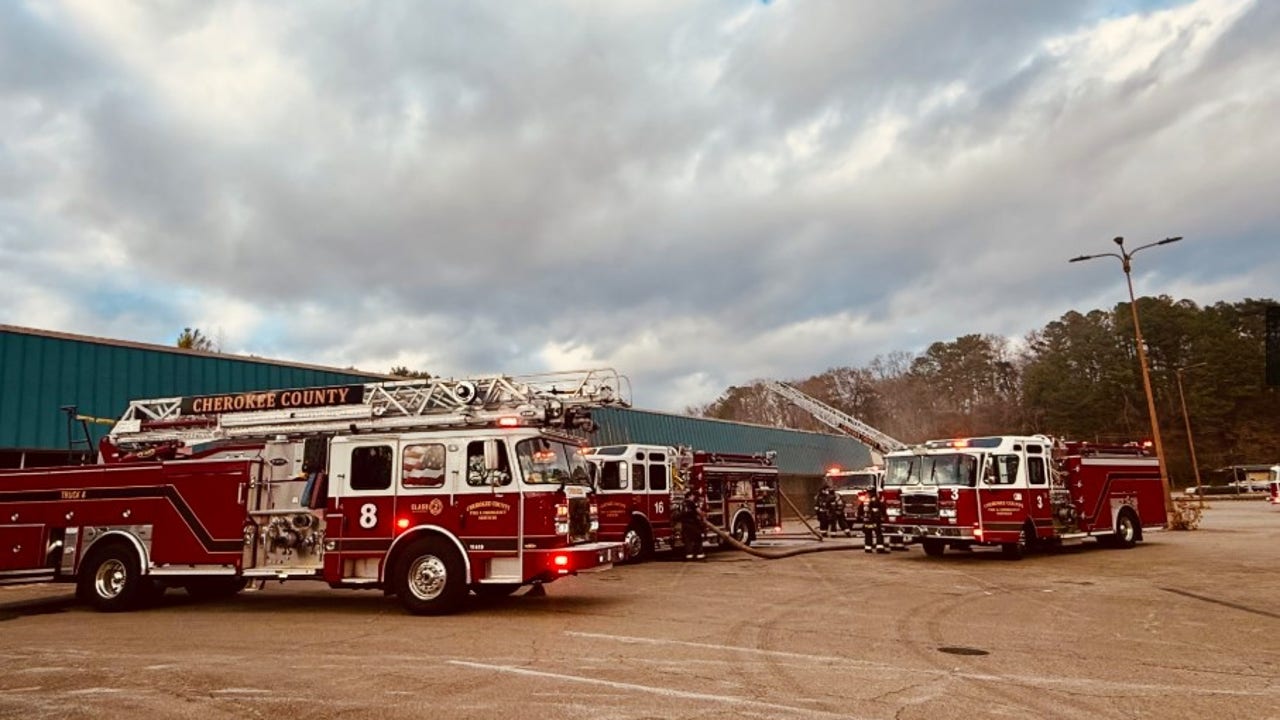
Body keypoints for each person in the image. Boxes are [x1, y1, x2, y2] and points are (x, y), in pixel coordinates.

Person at [858, 486, 890, 554]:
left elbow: (860, 509)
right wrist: (883, 516)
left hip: (866, 520)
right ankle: (880, 548)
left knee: (868, 534)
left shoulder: (865, 500)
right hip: (875, 520)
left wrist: (860, 517)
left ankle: (868, 548)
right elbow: (882, 508)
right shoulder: (876, 499)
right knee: (879, 533)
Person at [678, 487, 706, 560]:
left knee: (687, 540)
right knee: (698, 538)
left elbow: (679, 513)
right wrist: (703, 515)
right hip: (692, 524)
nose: (693, 497)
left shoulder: (681, 503)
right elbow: (698, 511)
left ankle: (689, 554)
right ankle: (699, 553)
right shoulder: (692, 503)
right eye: (693, 496)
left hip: (684, 524)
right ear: (690, 496)